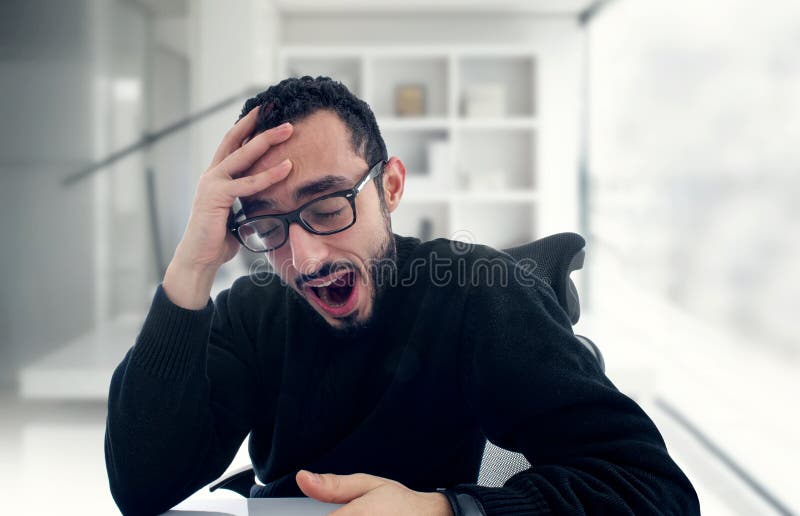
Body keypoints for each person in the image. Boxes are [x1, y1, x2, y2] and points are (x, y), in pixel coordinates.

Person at [104, 76, 700, 516]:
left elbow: (652, 490)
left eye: (329, 206)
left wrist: (446, 511)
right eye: (270, 226)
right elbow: (143, 487)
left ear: (389, 187)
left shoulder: (478, 294)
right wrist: (191, 265)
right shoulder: (252, 313)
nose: (306, 259)